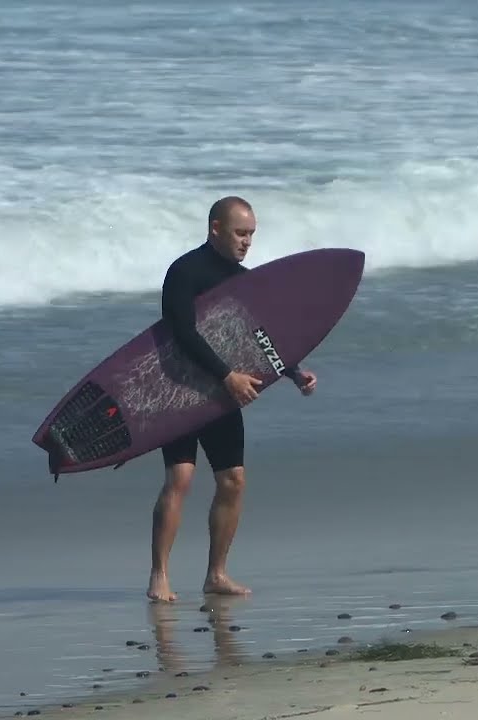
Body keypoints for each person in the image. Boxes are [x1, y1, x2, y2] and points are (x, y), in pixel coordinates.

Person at [147, 196, 318, 602]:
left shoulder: (245, 281)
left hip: (222, 394)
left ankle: (216, 575)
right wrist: (227, 376)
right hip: (181, 389)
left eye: (252, 235)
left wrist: (294, 372)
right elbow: (183, 333)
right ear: (216, 229)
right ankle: (159, 576)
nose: (247, 242)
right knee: (181, 478)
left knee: (233, 480)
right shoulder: (184, 272)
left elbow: (261, 337)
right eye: (241, 233)